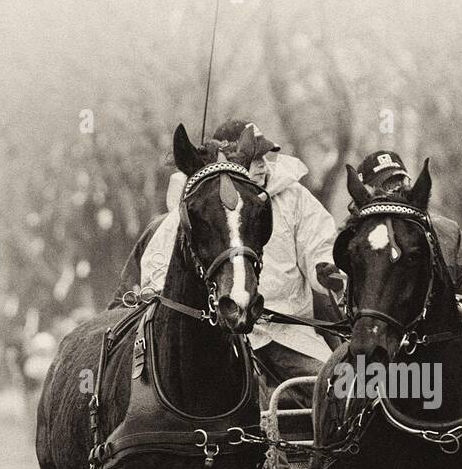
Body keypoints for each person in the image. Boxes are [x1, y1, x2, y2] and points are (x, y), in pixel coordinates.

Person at [142, 119, 342, 407]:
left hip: (288, 331)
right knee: (246, 407)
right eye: (254, 158)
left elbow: (320, 244)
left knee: (338, 389)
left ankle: (333, 451)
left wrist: (325, 269)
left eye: (264, 156)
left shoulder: (295, 196)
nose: (261, 164)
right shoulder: (203, 202)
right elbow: (158, 264)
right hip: (222, 334)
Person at [353, 150, 462, 300]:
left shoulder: (447, 231)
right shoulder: (355, 240)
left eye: (400, 181)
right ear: (366, 193)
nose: (396, 189)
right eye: (385, 186)